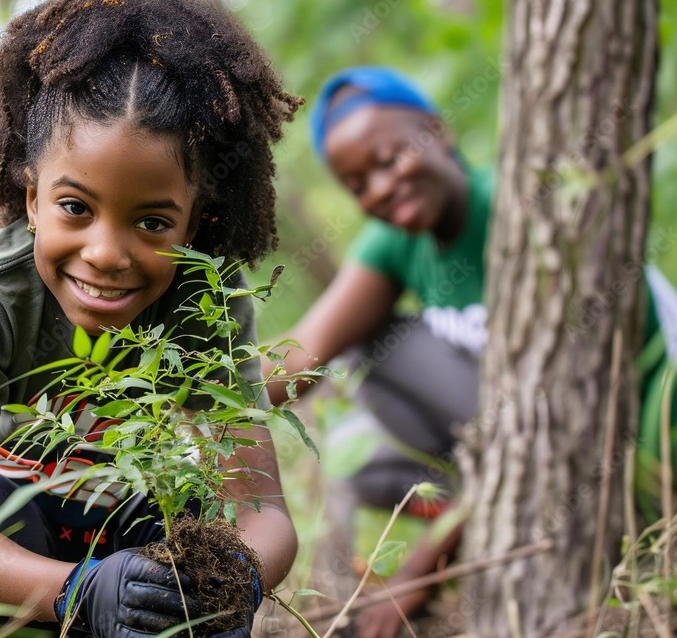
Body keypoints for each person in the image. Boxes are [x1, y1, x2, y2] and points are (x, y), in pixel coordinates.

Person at [0, 0, 302, 636]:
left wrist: (227, 580)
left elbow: (263, 517)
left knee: (192, 530)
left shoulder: (207, 300)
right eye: (76, 207)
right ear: (32, 194)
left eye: (153, 220)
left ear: (197, 219)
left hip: (112, 528)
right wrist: (77, 594)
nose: (105, 253)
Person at [262, 66, 677, 638]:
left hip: (631, 444)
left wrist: (417, 573)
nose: (379, 188)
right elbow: (297, 360)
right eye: (357, 184)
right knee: (360, 427)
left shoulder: (517, 211)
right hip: (514, 446)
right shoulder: (396, 241)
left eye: (388, 158)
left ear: (437, 132)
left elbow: (539, 421)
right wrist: (173, 396)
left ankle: (507, 532)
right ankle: (493, 527)